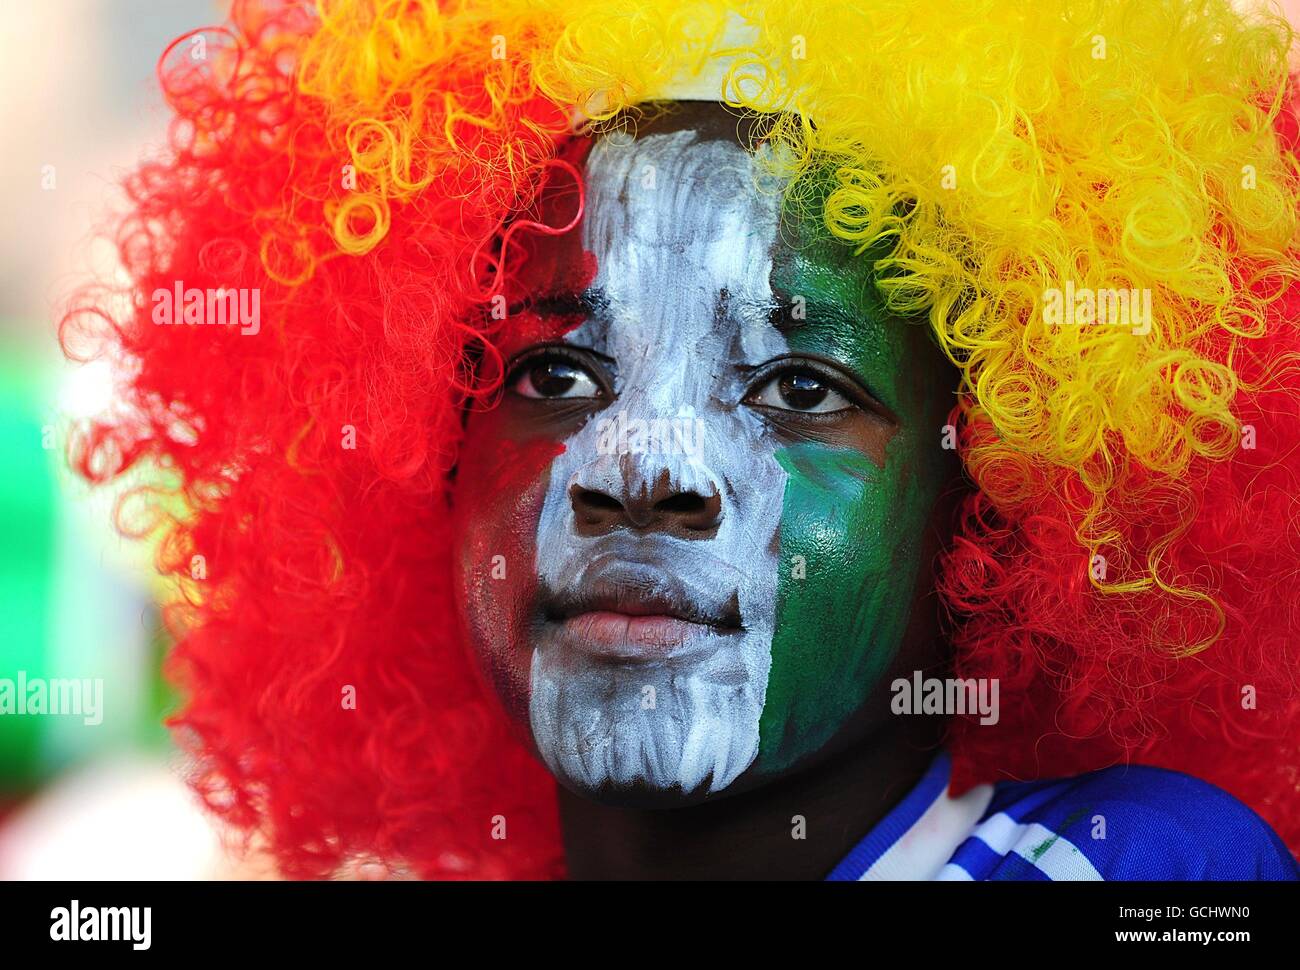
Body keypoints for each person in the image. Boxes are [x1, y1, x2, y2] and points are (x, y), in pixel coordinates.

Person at [63, 0, 1300, 879]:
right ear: (427, 471)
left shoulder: (1138, 867)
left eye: (799, 388)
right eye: (555, 371)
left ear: (987, 511)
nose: (641, 467)